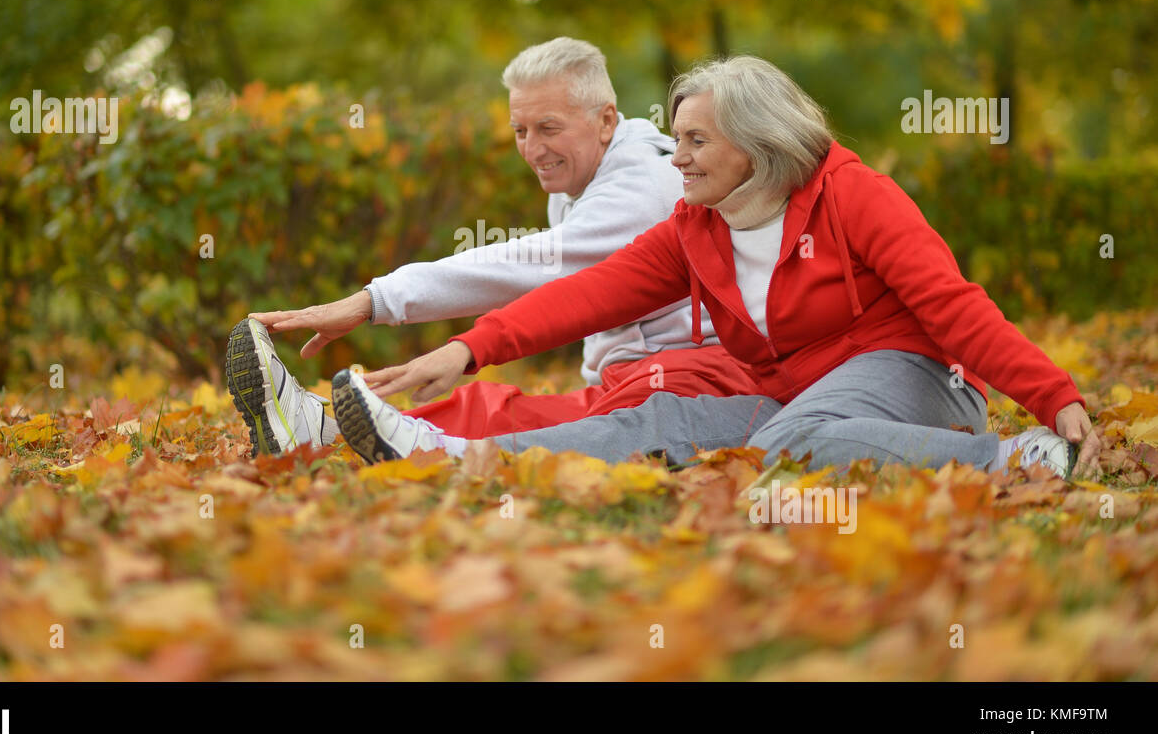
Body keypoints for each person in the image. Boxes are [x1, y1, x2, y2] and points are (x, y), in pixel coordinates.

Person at [329, 54, 1101, 479]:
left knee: (794, 447)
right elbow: (588, 295)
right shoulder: (695, 227)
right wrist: (469, 348)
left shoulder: (854, 196)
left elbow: (954, 307)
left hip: (918, 382)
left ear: (757, 144)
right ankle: (456, 454)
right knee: (670, 420)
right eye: (676, 137)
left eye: (696, 141)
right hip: (798, 399)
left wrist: (1051, 397)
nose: (679, 157)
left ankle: (1011, 459)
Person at [225, 37, 757, 455]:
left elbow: (527, 265)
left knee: (546, 423)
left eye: (548, 127)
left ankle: (341, 435)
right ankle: (327, 429)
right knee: (493, 403)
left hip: (698, 378)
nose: (533, 149)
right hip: (642, 377)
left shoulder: (647, 181)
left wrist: (376, 301)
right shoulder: (582, 179)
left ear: (606, 120)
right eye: (520, 129)